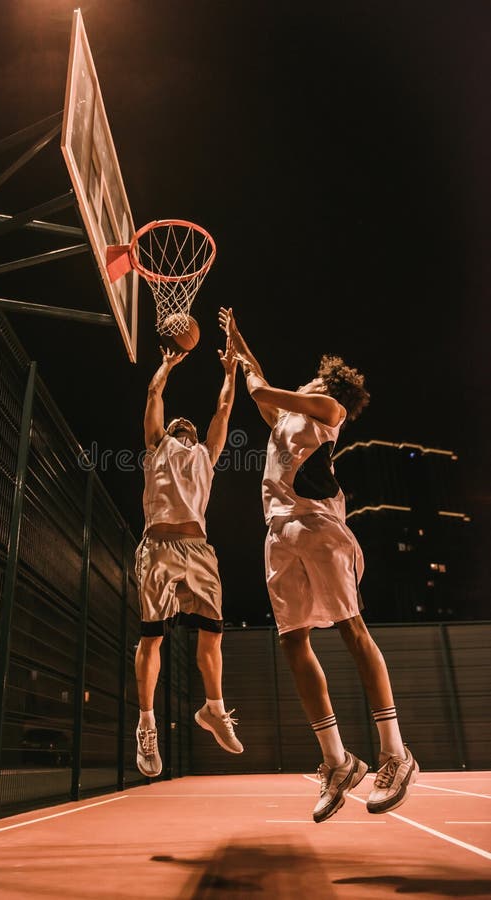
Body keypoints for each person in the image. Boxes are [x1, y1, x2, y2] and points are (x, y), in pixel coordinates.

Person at [219, 306, 418, 823]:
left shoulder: (328, 410)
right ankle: (337, 761)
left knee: (354, 631)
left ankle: (395, 753)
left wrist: (246, 367)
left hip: (321, 532)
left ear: (326, 386)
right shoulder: (288, 420)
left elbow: (262, 392)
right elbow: (260, 385)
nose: (306, 378)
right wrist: (241, 348)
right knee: (292, 640)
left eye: (313, 377)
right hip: (279, 533)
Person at [134, 336, 244, 778]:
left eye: (187, 424)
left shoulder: (206, 455)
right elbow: (154, 394)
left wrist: (231, 371)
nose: (183, 424)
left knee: (213, 634)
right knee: (152, 638)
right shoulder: (156, 446)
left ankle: (213, 709)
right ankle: (146, 725)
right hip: (158, 548)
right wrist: (167, 364)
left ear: (194, 435)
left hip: (198, 551)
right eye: (177, 422)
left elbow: (222, 411)